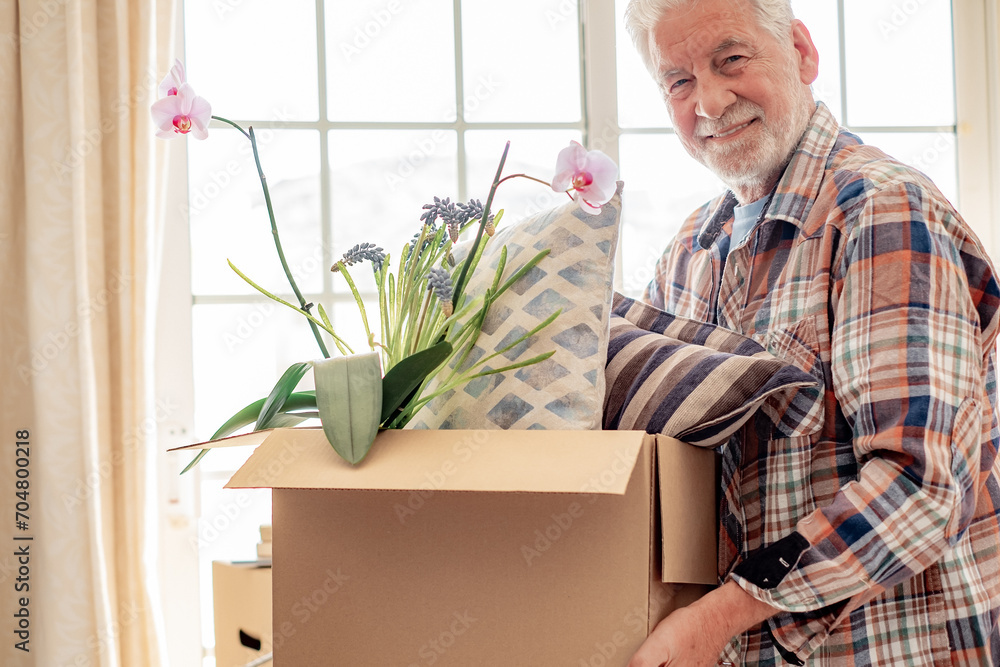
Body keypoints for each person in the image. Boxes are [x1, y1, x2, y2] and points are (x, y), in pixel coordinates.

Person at [623, 0, 1000, 665]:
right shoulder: (689, 252)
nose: (708, 102)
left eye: (731, 59)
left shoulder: (880, 210)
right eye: (678, 81)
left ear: (801, 52)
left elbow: (920, 486)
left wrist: (718, 618)